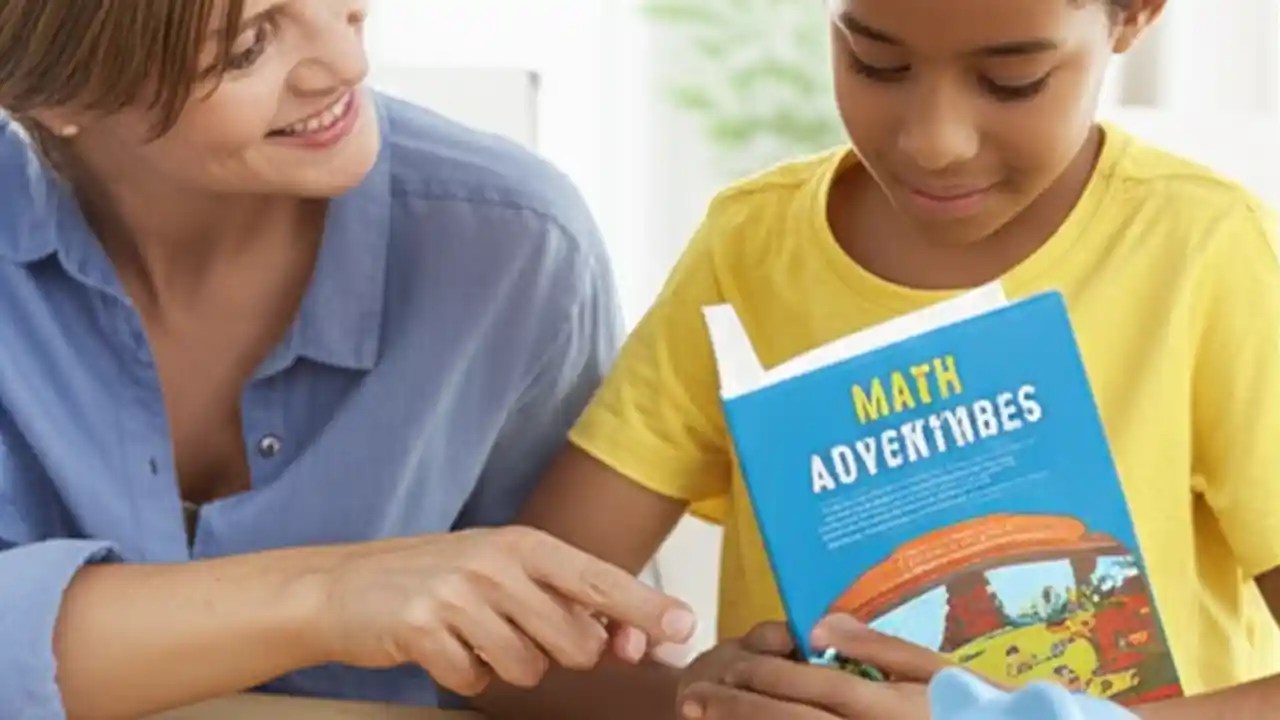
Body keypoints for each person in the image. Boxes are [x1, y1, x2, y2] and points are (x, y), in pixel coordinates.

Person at [508, 0, 1280, 717]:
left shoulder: (1202, 252)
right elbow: (511, 646)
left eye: (1014, 80)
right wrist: (697, 698)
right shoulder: (750, 252)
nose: (933, 142)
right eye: (874, 63)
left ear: (1136, 13)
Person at [0, 1, 699, 718]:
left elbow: (553, 658)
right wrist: (333, 594)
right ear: (62, 94)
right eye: (248, 47)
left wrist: (711, 694)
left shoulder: (511, 248)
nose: (348, 63)